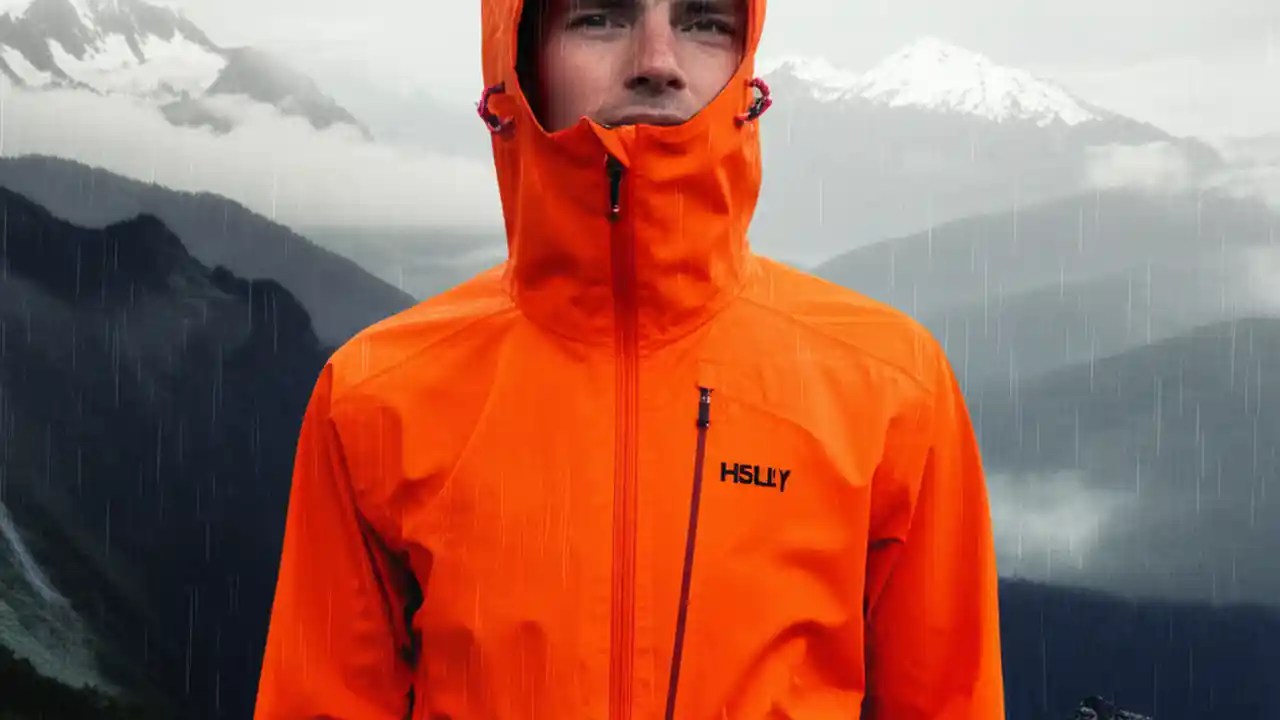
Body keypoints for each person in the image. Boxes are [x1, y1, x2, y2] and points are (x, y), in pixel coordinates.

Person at [253, 0, 1006, 717]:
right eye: (599, 16)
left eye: (704, 21)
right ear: (517, 63)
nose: (658, 62)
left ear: (747, 67)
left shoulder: (891, 392)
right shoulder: (375, 401)